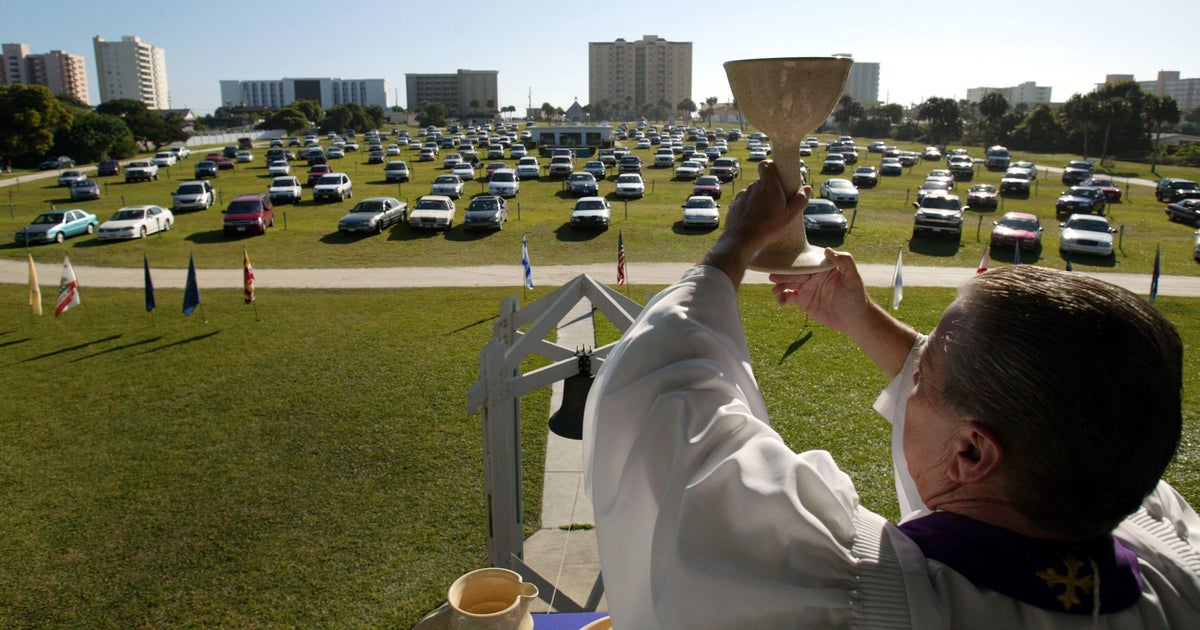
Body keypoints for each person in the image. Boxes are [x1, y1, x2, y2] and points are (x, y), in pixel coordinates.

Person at [582, 160, 1200, 628]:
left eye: (923, 375)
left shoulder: (850, 599)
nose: (910, 375)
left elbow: (669, 404)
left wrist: (732, 247)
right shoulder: (1172, 553)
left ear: (971, 456)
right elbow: (1027, 400)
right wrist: (860, 317)